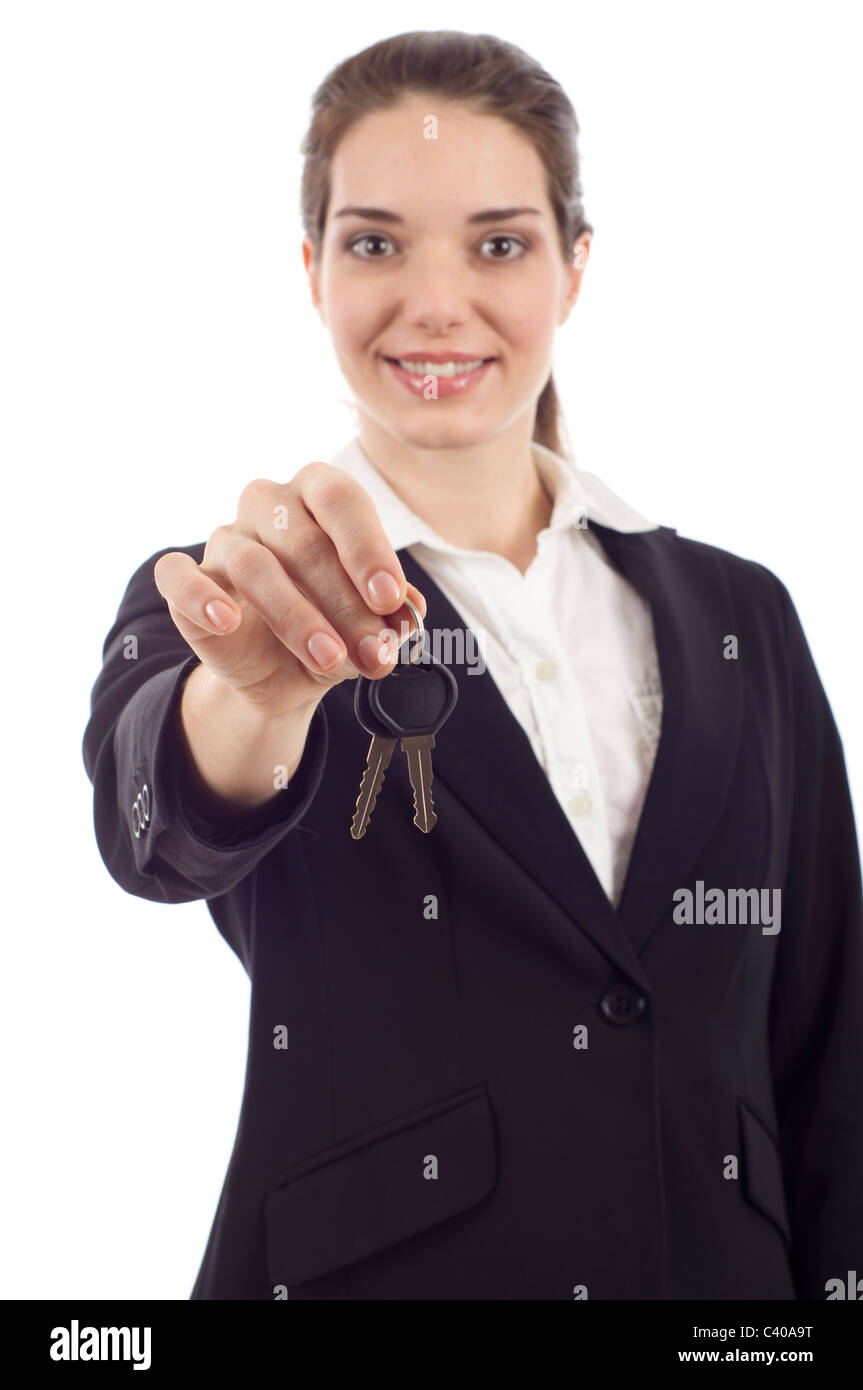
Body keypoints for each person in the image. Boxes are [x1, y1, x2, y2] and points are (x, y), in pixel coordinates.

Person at [82, 30, 863, 1301]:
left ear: (571, 272)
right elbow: (159, 823)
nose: (435, 302)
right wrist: (253, 695)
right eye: (375, 242)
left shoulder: (744, 616)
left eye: (498, 242)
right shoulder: (237, 595)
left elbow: (827, 1044)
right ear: (313, 273)